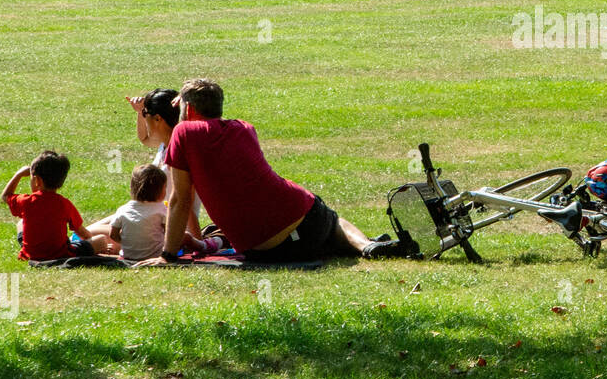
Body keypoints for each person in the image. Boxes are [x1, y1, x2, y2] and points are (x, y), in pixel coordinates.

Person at [160, 78, 409, 262]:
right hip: (307, 224)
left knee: (327, 222)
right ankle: (364, 245)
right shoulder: (245, 128)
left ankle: (364, 245)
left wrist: (168, 256)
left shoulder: (183, 132)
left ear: (189, 110)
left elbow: (180, 198)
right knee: (331, 220)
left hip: (264, 250)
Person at [85, 88, 202, 247]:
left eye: (146, 113)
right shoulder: (166, 142)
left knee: (86, 236)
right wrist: (140, 112)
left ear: (158, 119)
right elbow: (144, 139)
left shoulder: (178, 154)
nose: (144, 116)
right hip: (149, 216)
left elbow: (186, 203)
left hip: (163, 227)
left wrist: (198, 243)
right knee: (83, 234)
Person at [2, 151, 96, 261]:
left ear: (38, 180)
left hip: (31, 255)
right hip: (61, 255)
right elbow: (83, 234)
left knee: (20, 223)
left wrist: (19, 174)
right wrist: (89, 240)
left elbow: (5, 196)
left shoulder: (25, 201)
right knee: (101, 240)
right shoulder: (64, 204)